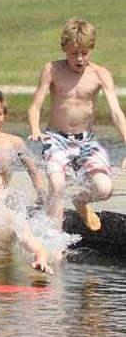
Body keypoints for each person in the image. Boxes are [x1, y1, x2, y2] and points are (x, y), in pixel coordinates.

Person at [27, 19, 126, 232]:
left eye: (84, 52)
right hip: (56, 138)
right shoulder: (52, 69)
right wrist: (35, 130)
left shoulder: (100, 74)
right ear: (64, 49)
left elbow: (116, 113)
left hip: (86, 141)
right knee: (57, 184)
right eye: (73, 53)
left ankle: (80, 201)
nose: (79, 58)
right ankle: (55, 238)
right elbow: (34, 107)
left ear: (91, 49)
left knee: (104, 189)